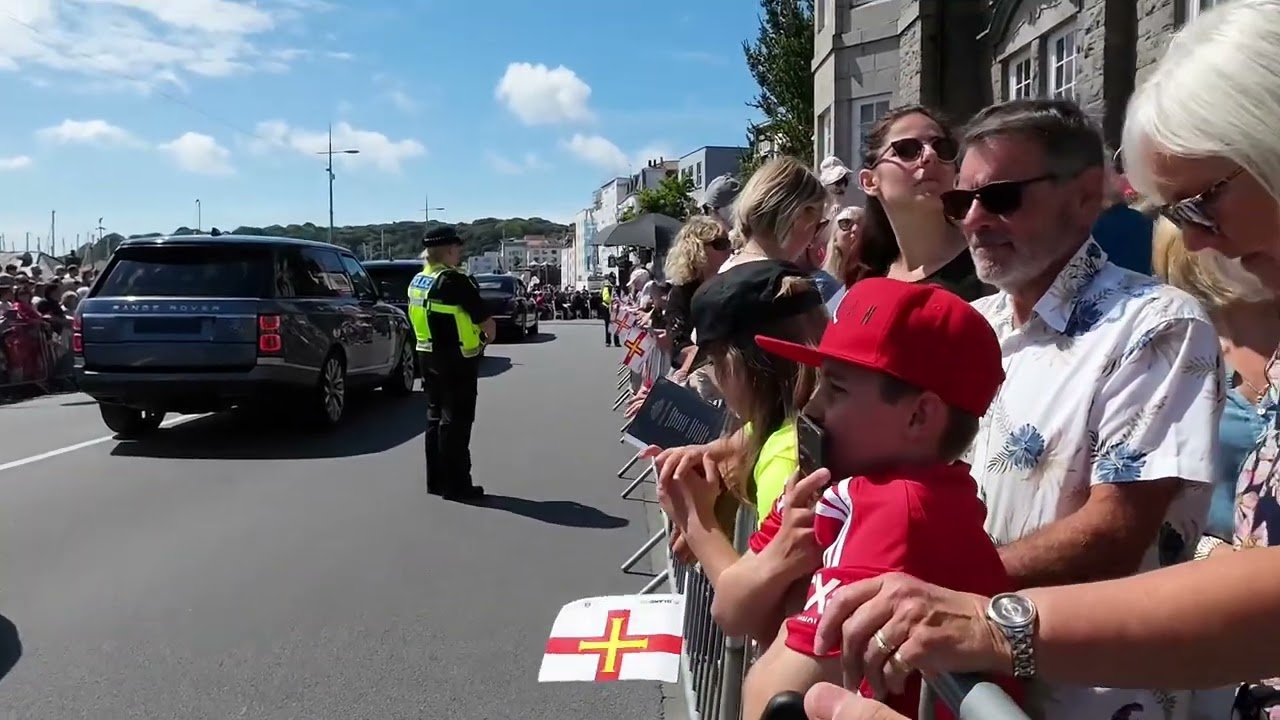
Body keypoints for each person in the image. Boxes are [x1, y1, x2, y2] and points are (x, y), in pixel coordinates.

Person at [940, 98, 1224, 720]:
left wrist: (946, 588)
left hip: (1095, 693)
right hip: (971, 682)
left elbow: (1116, 532)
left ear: (1084, 196)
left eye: (1001, 197)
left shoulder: (1157, 325)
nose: (975, 220)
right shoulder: (970, 327)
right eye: (960, 201)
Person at [735, 278, 1016, 720]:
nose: (811, 407)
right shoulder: (836, 484)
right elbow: (730, 611)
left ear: (919, 415)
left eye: (837, 389)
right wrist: (784, 560)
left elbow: (774, 697)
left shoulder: (897, 508)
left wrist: (785, 600)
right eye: (819, 383)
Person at [407, 225, 496, 501]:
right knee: (456, 421)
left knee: (435, 416)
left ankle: (436, 481)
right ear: (447, 250)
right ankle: (457, 485)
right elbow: (486, 322)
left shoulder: (420, 280)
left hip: (427, 354)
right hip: (457, 358)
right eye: (457, 248)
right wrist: (486, 339)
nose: (460, 252)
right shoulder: (454, 280)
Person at [718, 156, 828, 274]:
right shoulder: (787, 282)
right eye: (817, 228)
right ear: (795, 216)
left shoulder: (723, 273)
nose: (813, 242)